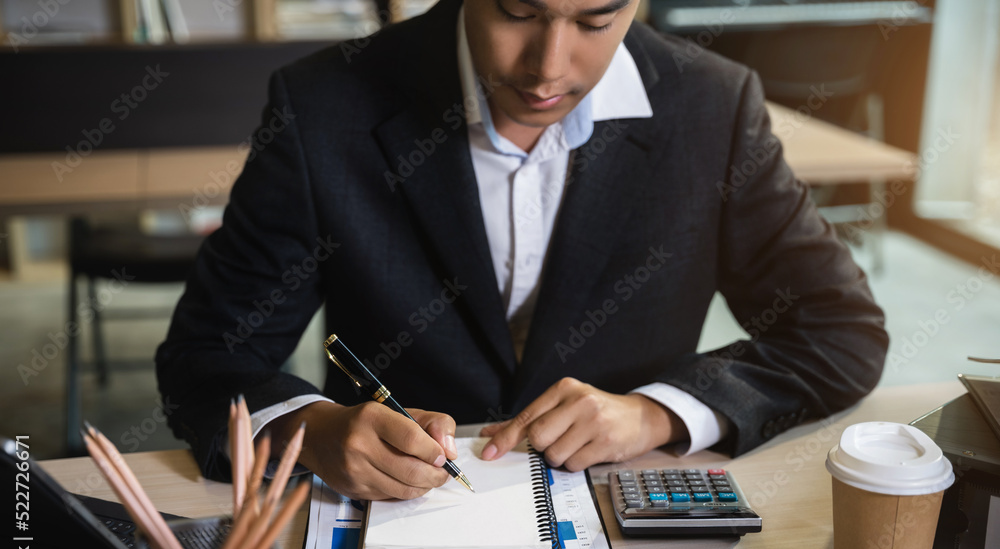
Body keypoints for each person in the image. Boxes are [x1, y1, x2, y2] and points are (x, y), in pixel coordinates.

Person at [156, 0, 888, 501]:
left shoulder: (715, 108)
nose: (548, 66)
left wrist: (656, 414)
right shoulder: (321, 106)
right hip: (394, 525)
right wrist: (306, 428)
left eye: (597, 19)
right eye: (517, 11)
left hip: (623, 533)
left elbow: (839, 330)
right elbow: (206, 355)